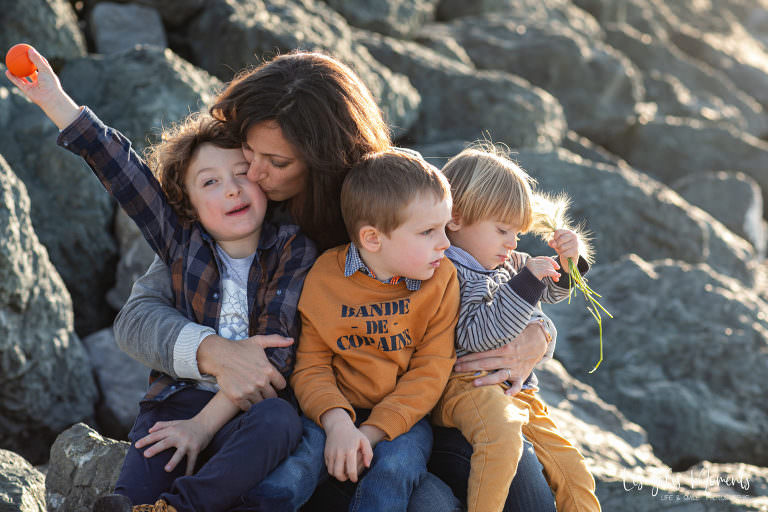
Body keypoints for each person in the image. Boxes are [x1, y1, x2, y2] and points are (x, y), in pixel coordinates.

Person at [110, 50, 559, 510]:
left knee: (527, 487)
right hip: (304, 422)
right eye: (250, 151)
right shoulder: (241, 213)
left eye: (276, 163)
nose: (255, 175)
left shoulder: (394, 200)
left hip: (415, 413)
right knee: (429, 503)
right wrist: (216, 352)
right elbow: (137, 318)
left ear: (324, 161)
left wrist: (539, 335)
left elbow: (485, 266)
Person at [5, 47, 314, 512]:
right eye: (209, 182)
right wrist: (55, 100)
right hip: (176, 402)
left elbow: (269, 361)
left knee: (279, 421)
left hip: (244, 414)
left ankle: (182, 506)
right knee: (151, 454)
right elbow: (121, 170)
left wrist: (204, 427)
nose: (230, 188)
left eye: (240, 174)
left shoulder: (293, 248)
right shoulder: (180, 240)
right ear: (186, 205)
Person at [249, 149, 458, 511]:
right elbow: (311, 365)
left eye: (444, 226)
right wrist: (338, 425)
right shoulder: (325, 277)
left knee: (395, 469)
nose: (446, 243)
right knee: (292, 473)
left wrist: (371, 433)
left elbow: (431, 370)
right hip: (330, 411)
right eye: (428, 232)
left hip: (402, 418)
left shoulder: (442, 279)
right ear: (373, 239)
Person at [434, 145, 601, 511]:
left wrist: (569, 261)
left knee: (573, 470)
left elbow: (553, 289)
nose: (512, 243)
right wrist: (525, 283)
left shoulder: (503, 260)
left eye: (518, 233)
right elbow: (476, 334)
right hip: (466, 386)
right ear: (456, 218)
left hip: (516, 389)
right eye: (502, 230)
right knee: (503, 438)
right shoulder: (447, 270)